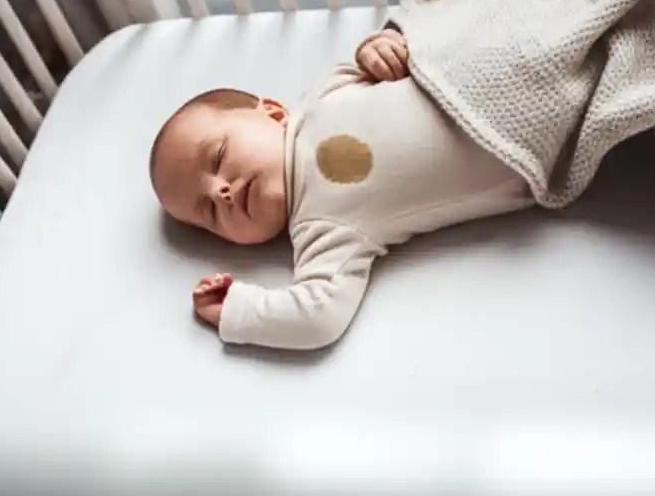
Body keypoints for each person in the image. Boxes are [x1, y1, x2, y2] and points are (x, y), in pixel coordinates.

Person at [148, 27, 532, 349]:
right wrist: (237, 310)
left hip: (495, 53)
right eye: (210, 212)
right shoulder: (322, 230)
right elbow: (317, 317)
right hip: (534, 140)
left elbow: (400, 48)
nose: (221, 192)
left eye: (217, 158)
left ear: (273, 112)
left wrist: (379, 45)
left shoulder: (321, 96)